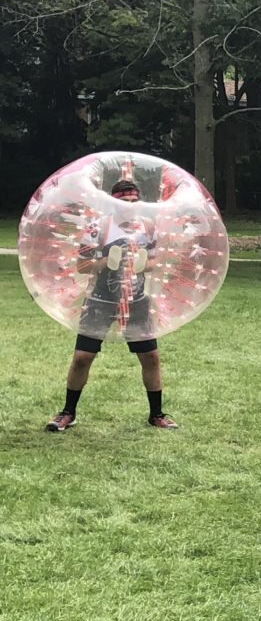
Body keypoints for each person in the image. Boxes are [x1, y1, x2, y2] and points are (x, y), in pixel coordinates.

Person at [46, 178, 177, 432]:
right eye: (125, 201)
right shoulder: (98, 228)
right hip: (100, 300)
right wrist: (106, 262)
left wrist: (140, 264)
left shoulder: (147, 228)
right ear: (114, 201)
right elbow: (81, 266)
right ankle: (68, 413)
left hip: (136, 300)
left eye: (134, 201)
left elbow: (155, 262)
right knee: (83, 358)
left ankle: (157, 414)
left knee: (151, 357)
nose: (130, 205)